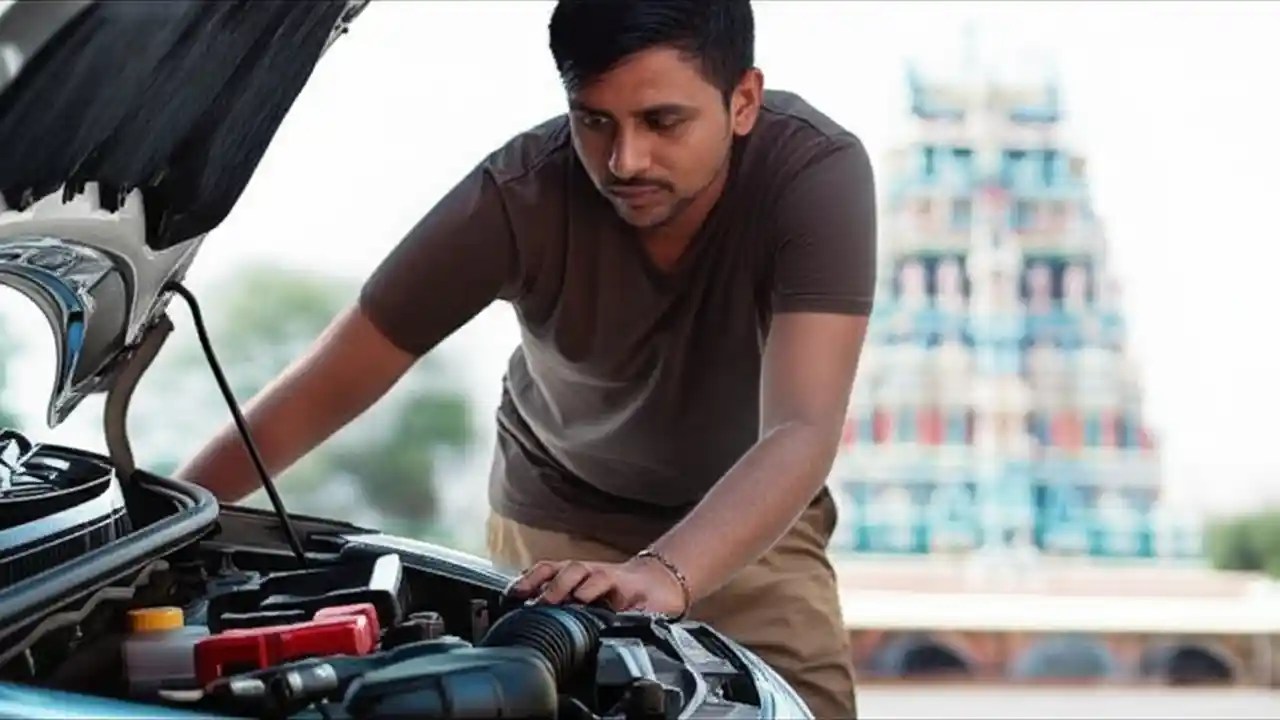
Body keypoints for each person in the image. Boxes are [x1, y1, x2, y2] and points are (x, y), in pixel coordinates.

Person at [177, 1, 876, 716]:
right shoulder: (517, 195)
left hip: (753, 525)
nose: (624, 160)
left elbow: (802, 428)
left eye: (662, 122)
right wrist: (169, 519)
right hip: (555, 524)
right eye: (594, 120)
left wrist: (666, 570)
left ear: (743, 102)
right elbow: (330, 382)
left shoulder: (814, 174)